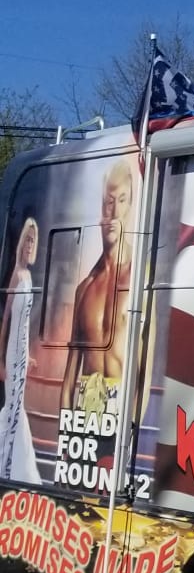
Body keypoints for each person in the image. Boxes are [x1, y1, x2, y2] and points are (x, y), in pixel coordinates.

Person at [60, 157, 139, 418]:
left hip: (121, 400)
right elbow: (70, 374)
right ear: (101, 210)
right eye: (109, 202)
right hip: (86, 400)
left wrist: (133, 422)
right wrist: (65, 432)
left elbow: (144, 371)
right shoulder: (85, 288)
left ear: (131, 208)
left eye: (123, 200)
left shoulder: (142, 279)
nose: (115, 211)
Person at [2, 211, 42, 484]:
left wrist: (27, 355)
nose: (29, 246)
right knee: (13, 407)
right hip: (10, 351)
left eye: (32, 241)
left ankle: (14, 465)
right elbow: (6, 319)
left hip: (21, 349)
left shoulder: (28, 275)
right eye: (26, 240)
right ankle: (5, 465)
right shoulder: (17, 275)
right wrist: (2, 361)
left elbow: (25, 323)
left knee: (18, 405)